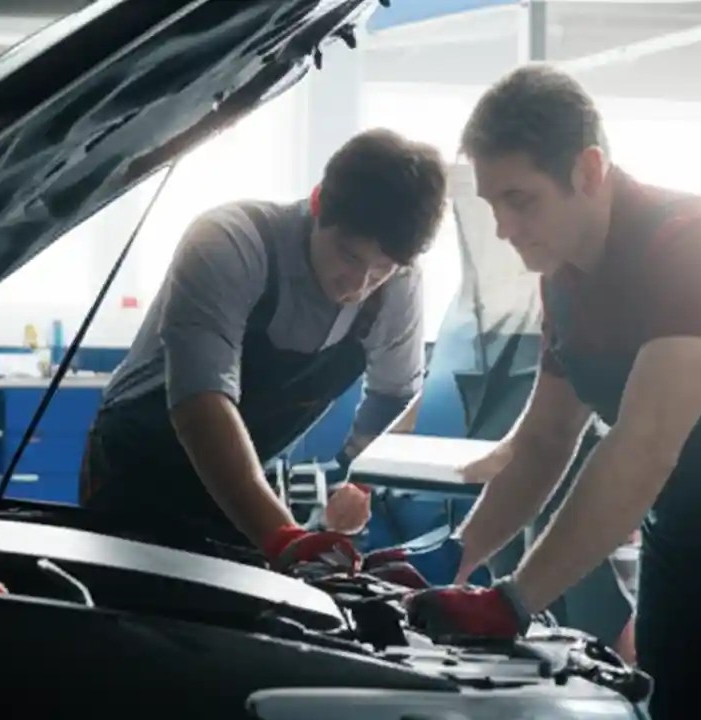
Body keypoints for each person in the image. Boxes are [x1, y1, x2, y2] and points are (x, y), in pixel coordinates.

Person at [405, 65, 701, 719]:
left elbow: (645, 443)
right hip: (685, 548)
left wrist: (514, 601)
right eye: (492, 204)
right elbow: (547, 439)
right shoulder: (563, 279)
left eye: (520, 200)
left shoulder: (697, 244)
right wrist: (454, 558)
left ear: (588, 170)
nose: (503, 228)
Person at [79, 128, 447, 576]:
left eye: (382, 269)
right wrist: (284, 537)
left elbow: (394, 395)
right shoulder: (228, 243)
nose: (359, 284)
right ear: (317, 204)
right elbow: (202, 402)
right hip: (138, 466)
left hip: (249, 475)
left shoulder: (400, 286)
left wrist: (360, 482)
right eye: (349, 257)